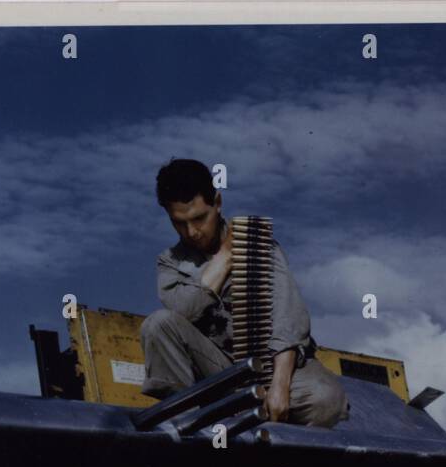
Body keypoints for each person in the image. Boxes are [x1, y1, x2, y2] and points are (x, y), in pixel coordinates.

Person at [140, 158, 349, 428]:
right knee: (158, 324)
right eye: (179, 223)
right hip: (217, 374)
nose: (192, 232)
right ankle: (186, 427)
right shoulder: (169, 262)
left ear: (217, 202)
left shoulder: (256, 243)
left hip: (270, 366)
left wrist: (279, 387)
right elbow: (180, 312)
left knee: (325, 399)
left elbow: (288, 319)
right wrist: (225, 258)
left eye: (199, 218)